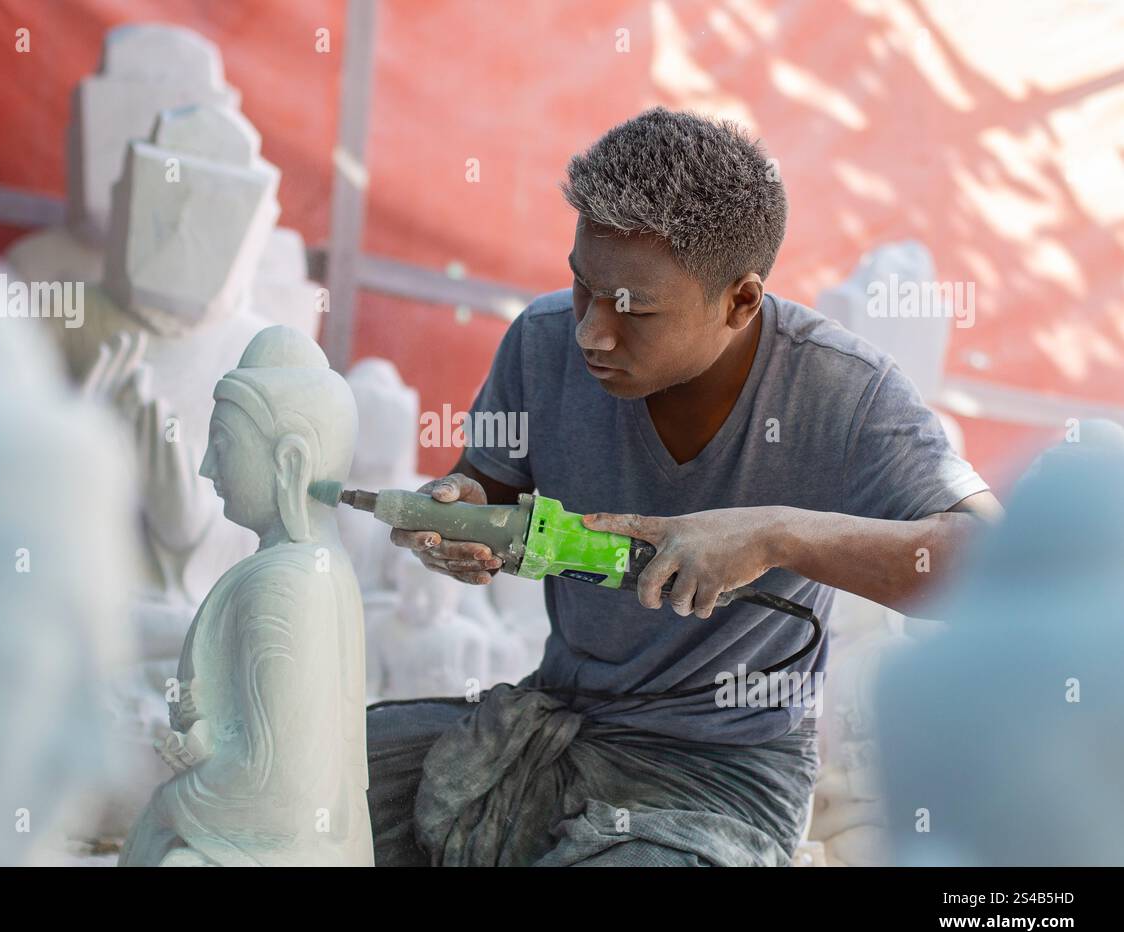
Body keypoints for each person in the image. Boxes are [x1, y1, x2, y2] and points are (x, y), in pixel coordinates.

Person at [367, 107, 1001, 867]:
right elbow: (486, 494)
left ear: (740, 301)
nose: (591, 332)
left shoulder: (844, 392)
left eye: (633, 307)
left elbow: (1002, 569)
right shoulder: (540, 343)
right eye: (582, 287)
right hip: (554, 723)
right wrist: (465, 523)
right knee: (302, 782)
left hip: (721, 772)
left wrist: (774, 535)